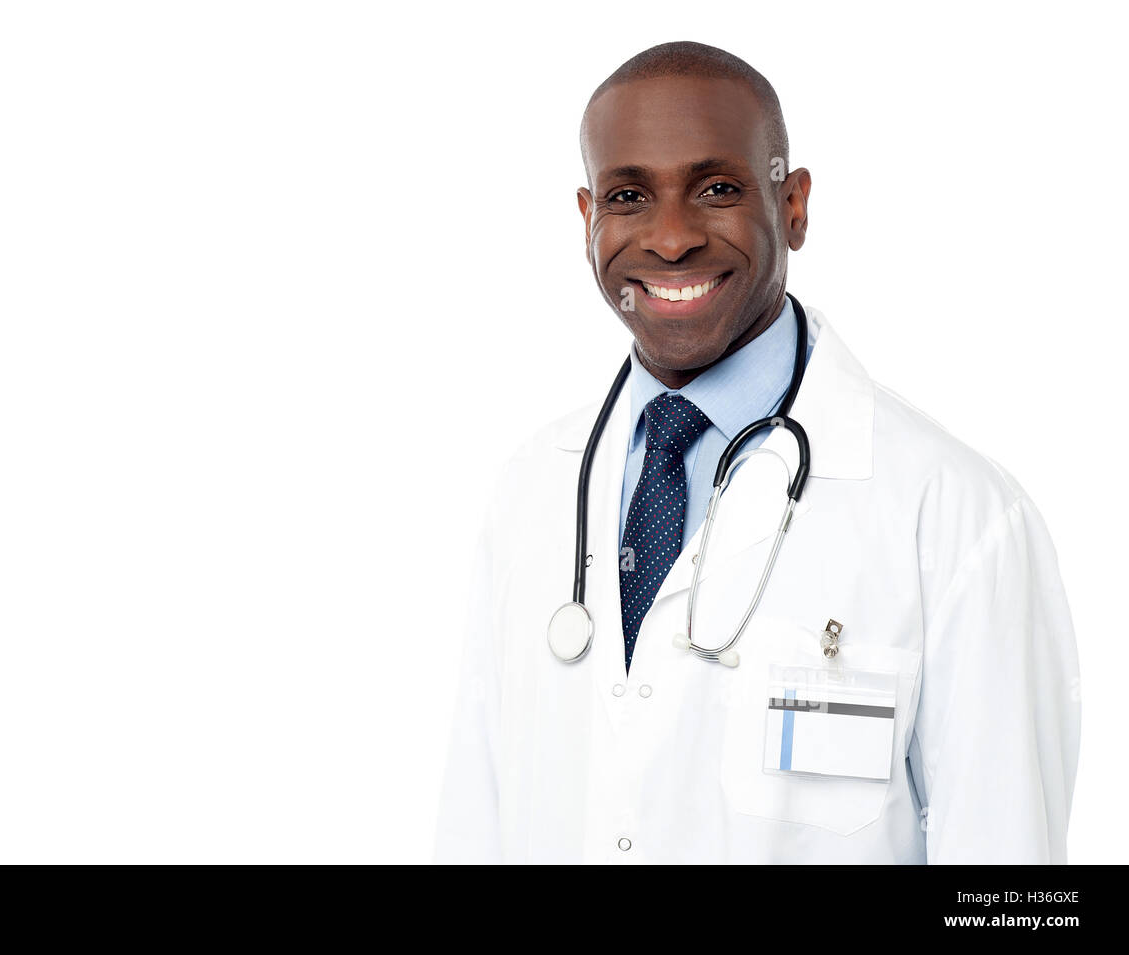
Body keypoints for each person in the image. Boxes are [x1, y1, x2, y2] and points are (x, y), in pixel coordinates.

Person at [433, 41, 1080, 864]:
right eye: (629, 196)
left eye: (717, 189)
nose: (670, 240)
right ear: (588, 218)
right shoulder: (530, 488)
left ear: (795, 205)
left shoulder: (954, 513)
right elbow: (472, 826)